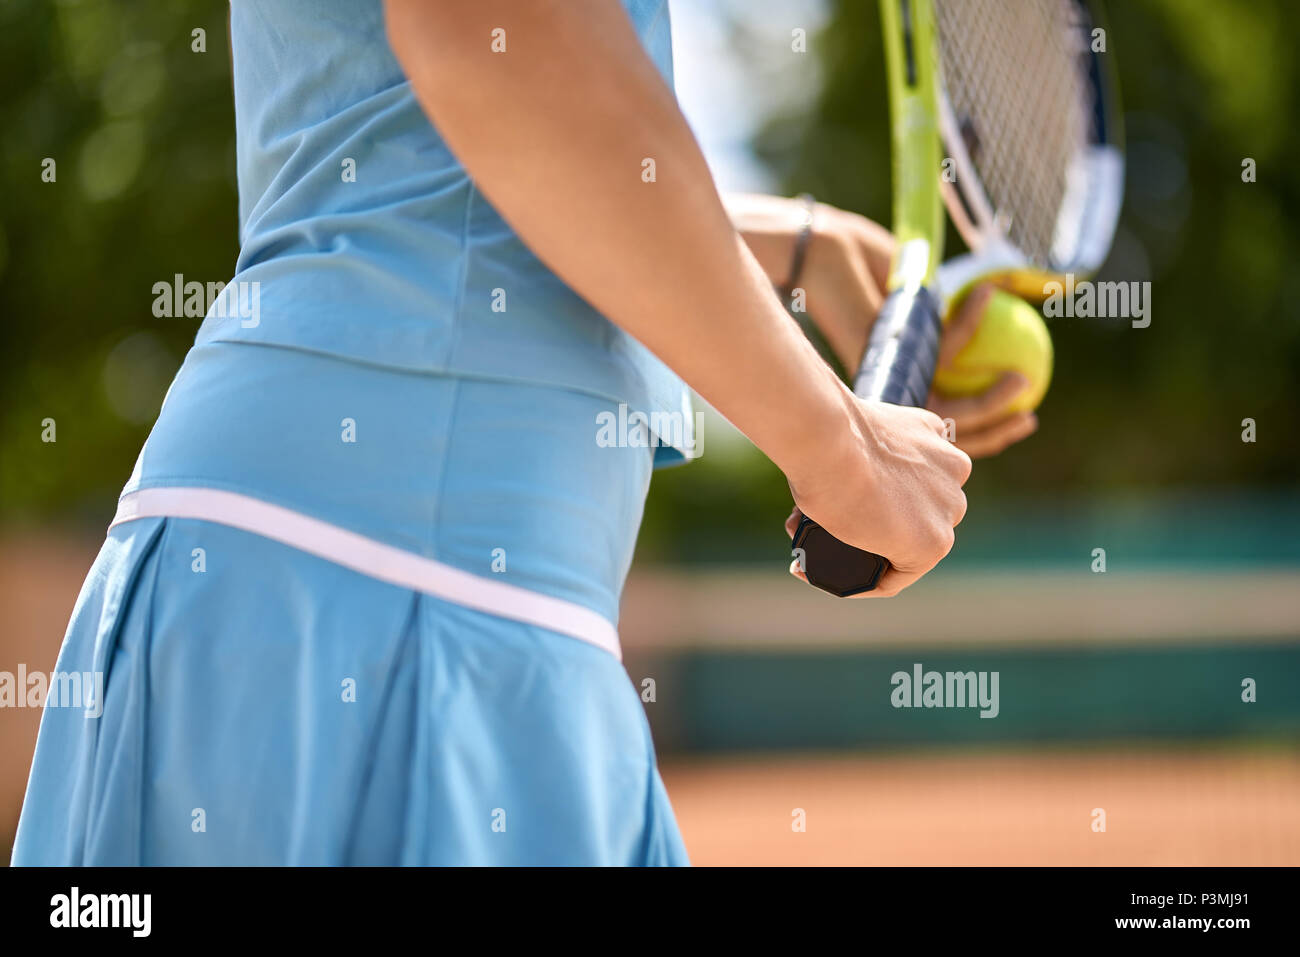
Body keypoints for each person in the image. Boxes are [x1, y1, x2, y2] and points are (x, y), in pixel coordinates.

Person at [12, 0, 1034, 866]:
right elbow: (488, 41)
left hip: (353, 577)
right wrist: (838, 445)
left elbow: (416, 140)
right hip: (395, 592)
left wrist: (786, 242)